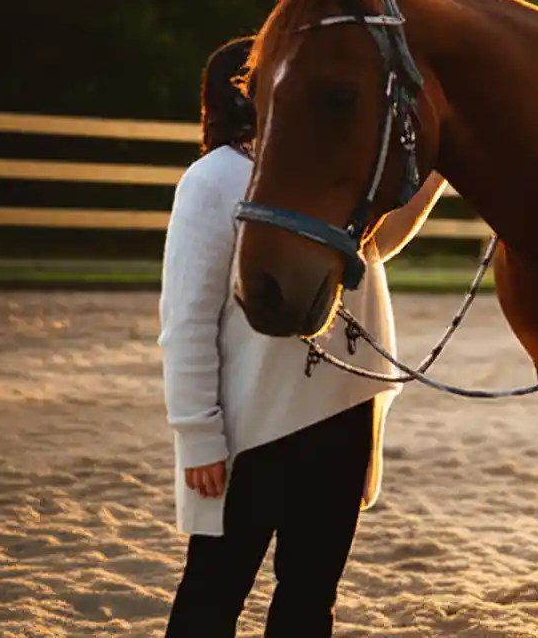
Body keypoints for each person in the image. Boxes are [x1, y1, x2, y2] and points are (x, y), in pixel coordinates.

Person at [158, 36, 445, 637]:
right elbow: (185, 320)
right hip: (250, 427)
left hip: (341, 415)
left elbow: (376, 245)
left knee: (310, 596)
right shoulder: (211, 182)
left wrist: (439, 165)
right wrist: (198, 434)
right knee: (214, 593)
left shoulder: (328, 176)